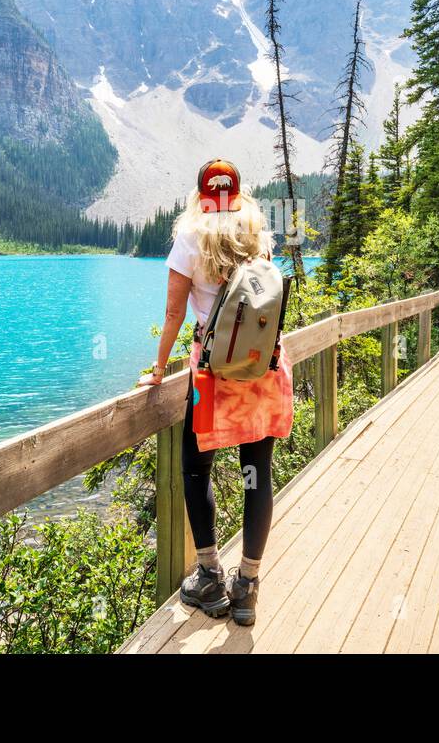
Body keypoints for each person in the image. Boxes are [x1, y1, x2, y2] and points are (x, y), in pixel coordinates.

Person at [137, 158, 293, 626]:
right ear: (239, 196)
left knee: (195, 468)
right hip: (263, 368)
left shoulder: (189, 238)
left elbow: (173, 315)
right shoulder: (258, 236)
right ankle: (247, 587)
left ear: (199, 197)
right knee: (256, 472)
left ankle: (209, 575)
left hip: (214, 373)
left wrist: (158, 368)